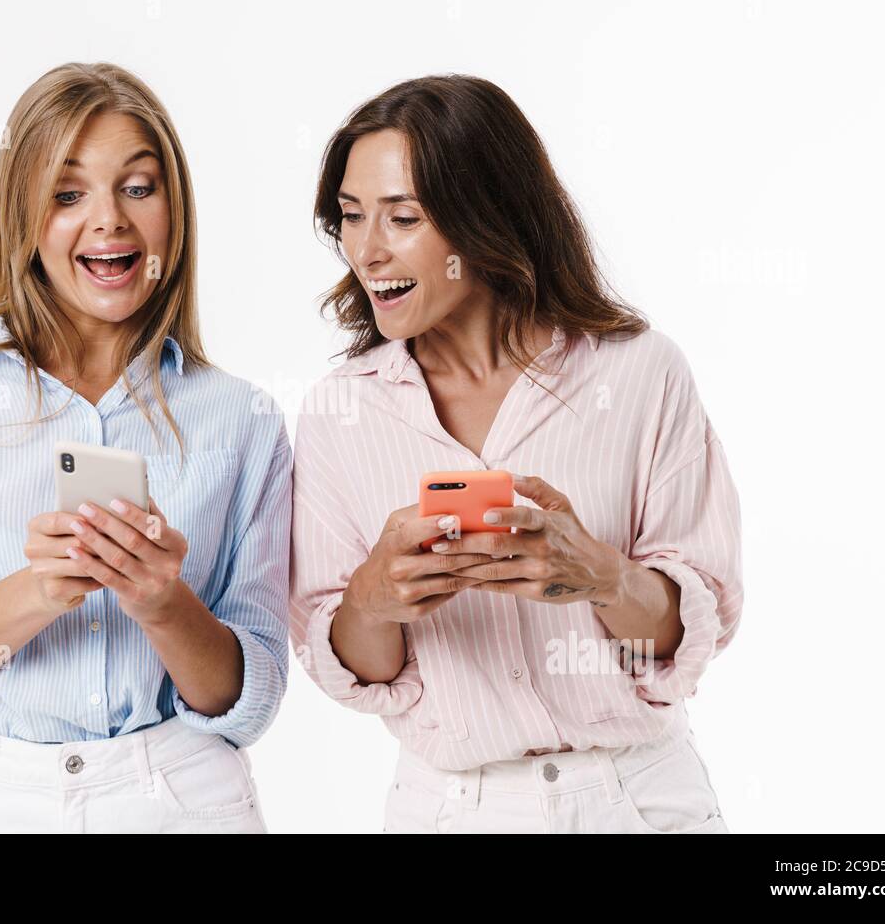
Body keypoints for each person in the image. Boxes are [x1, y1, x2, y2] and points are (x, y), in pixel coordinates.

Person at [0, 62, 290, 833]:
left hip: (181, 796)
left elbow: (248, 699)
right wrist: (40, 591)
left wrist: (162, 601)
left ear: (173, 208)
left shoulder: (242, 418)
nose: (109, 221)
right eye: (68, 193)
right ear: (23, 215)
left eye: (139, 187)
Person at [289, 74, 742, 833]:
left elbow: (691, 629)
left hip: (639, 798)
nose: (367, 250)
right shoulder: (342, 411)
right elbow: (357, 667)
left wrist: (601, 574)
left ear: (487, 218)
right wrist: (374, 597)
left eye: (402, 217)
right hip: (451, 806)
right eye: (351, 216)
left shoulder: (639, 372)